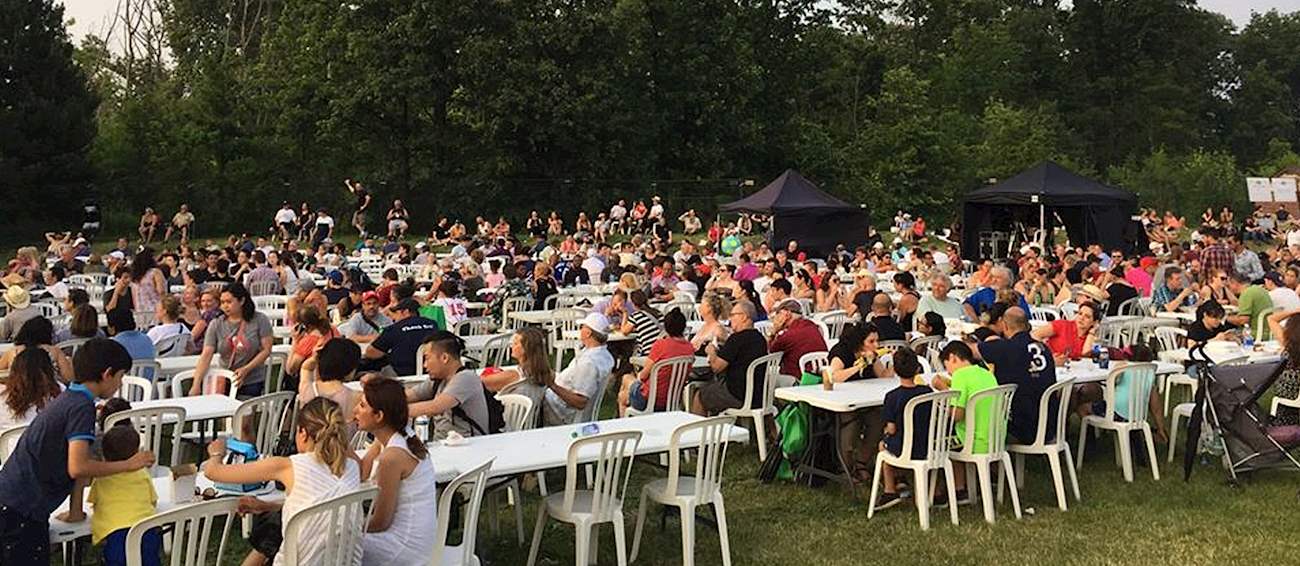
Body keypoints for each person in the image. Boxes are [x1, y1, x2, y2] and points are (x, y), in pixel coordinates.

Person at [0, 339, 154, 563]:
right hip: (20, 509)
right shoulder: (81, 407)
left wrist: (75, 511)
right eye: (120, 376)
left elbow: (79, 463)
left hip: (19, 503)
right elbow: (79, 467)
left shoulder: (72, 398)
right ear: (107, 373)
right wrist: (130, 464)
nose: (120, 384)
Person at [205, 397, 359, 566]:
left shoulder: (289, 466)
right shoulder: (352, 468)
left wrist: (216, 453)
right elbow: (318, 505)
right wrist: (267, 506)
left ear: (303, 433)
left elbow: (213, 472)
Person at [356, 379, 439, 566]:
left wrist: (348, 529)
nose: (355, 411)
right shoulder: (399, 435)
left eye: (362, 406)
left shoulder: (391, 458)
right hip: (420, 542)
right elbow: (362, 471)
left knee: (331, 544)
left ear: (379, 416)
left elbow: (381, 522)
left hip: (404, 548)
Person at [79, 421, 160, 566]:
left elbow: (93, 502)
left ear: (103, 455)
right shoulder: (142, 474)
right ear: (136, 454)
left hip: (117, 534)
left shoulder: (101, 479)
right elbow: (153, 500)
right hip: (146, 530)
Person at [974, 307, 1057, 444]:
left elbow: (971, 351)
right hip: (1049, 424)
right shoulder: (1043, 348)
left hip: (1022, 427)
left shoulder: (1004, 348)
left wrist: (987, 333)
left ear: (1005, 325)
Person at [929, 340, 997, 500]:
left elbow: (957, 416)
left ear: (953, 358)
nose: (949, 372)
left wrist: (944, 392)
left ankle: (946, 489)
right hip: (995, 438)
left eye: (947, 366)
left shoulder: (960, 376)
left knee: (936, 440)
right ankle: (961, 487)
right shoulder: (986, 373)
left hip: (972, 441)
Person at [824, 323, 894, 478]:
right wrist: (859, 365)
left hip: (866, 399)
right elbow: (834, 376)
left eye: (877, 341)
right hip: (842, 399)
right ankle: (845, 467)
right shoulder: (842, 352)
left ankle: (862, 461)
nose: (876, 345)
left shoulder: (872, 354)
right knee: (851, 423)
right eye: (871, 341)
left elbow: (882, 375)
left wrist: (894, 364)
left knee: (878, 421)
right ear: (860, 341)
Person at [189, 283, 275, 398]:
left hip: (252, 377)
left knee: (245, 410)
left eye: (229, 302)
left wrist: (246, 369)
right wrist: (196, 383)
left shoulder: (260, 320)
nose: (225, 306)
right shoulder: (216, 324)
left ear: (241, 301)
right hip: (226, 377)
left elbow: (266, 350)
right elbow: (206, 354)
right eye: (222, 302)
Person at [873, 348, 932, 509]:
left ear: (896, 371)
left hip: (905, 446)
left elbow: (891, 429)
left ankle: (890, 489)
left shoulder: (892, 397)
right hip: (929, 446)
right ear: (917, 369)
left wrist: (886, 432)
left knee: (883, 446)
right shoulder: (927, 392)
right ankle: (932, 489)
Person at [406, 331, 489, 438]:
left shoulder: (466, 378)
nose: (424, 365)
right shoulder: (438, 380)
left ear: (444, 358)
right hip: (442, 444)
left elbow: (435, 407)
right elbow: (410, 395)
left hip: (466, 446)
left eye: (427, 358)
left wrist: (394, 411)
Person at [694, 301, 768, 415]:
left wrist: (711, 351)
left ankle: (698, 431)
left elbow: (716, 367)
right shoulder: (760, 339)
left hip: (737, 394)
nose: (730, 319)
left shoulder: (737, 339)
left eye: (733, 315)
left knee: (700, 396)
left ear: (743, 317)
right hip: (759, 395)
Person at [542, 313, 616, 425]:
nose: (580, 330)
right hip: (559, 400)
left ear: (588, 333)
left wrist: (552, 385)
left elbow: (580, 402)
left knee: (526, 393)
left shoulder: (589, 363)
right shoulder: (604, 355)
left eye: (582, 327)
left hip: (561, 412)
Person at [618, 309, 694, 416]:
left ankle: (624, 424)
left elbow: (644, 375)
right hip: (672, 398)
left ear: (666, 328)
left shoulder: (661, 345)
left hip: (650, 398)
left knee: (624, 389)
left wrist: (639, 377)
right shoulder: (689, 348)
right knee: (627, 384)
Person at [481, 327, 552, 413]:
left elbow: (478, 383)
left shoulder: (514, 375)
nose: (512, 346)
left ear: (525, 349)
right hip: (528, 420)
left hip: (506, 420)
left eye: (515, 343)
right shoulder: (545, 373)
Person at [364, 298, 440, 376]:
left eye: (396, 313)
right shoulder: (433, 324)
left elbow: (371, 353)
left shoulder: (394, 328)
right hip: (430, 372)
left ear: (405, 312)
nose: (393, 318)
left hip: (402, 374)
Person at [298, 338, 361, 428]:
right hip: (345, 441)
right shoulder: (358, 397)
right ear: (351, 369)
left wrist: (315, 358)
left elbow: (306, 368)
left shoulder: (307, 389)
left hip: (311, 441)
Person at [0, 348, 62, 429]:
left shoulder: (3, 394)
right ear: (49, 370)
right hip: (45, 440)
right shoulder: (59, 391)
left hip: (7, 440)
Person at [0, 316, 75, 380]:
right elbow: (68, 377)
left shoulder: (13, 351)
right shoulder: (55, 351)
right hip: (50, 392)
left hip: (20, 392)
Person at [767, 300, 827, 378]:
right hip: (820, 376)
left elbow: (770, 356)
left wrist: (773, 332)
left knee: (768, 380)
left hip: (798, 380)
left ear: (787, 314)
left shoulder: (788, 336)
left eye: (778, 314)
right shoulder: (813, 326)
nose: (775, 318)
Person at [286, 305, 339, 391]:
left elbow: (291, 369)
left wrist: (295, 341)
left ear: (303, 326)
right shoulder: (333, 330)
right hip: (333, 377)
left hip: (311, 384)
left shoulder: (309, 341)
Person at [1034, 302, 1099, 363]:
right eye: (1080, 313)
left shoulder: (1090, 338)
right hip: (1050, 364)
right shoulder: (1062, 325)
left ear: (1094, 322)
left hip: (1073, 371)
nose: (1082, 318)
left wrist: (1092, 332)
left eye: (1087, 317)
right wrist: (1047, 356)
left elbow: (1085, 354)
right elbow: (1035, 335)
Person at [962, 266, 1030, 321]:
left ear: (1007, 281)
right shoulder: (985, 292)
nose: (993, 280)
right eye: (992, 277)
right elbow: (967, 304)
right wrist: (975, 321)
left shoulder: (1015, 296)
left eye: (998, 278)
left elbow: (1025, 316)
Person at [106, 309, 156, 378]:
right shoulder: (147, 339)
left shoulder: (112, 345)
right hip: (149, 384)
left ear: (112, 328)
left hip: (124, 386)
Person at [1227, 272, 1273, 339]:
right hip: (1269, 332)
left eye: (1229, 285)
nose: (1229, 289)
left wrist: (1226, 318)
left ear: (1235, 283)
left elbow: (1243, 320)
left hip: (1256, 333)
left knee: (1226, 335)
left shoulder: (1246, 294)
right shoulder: (1261, 290)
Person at [621, 290, 662, 357]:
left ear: (633, 303)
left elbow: (624, 331)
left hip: (648, 353)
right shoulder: (658, 313)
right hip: (661, 351)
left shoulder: (635, 316)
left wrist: (625, 313)